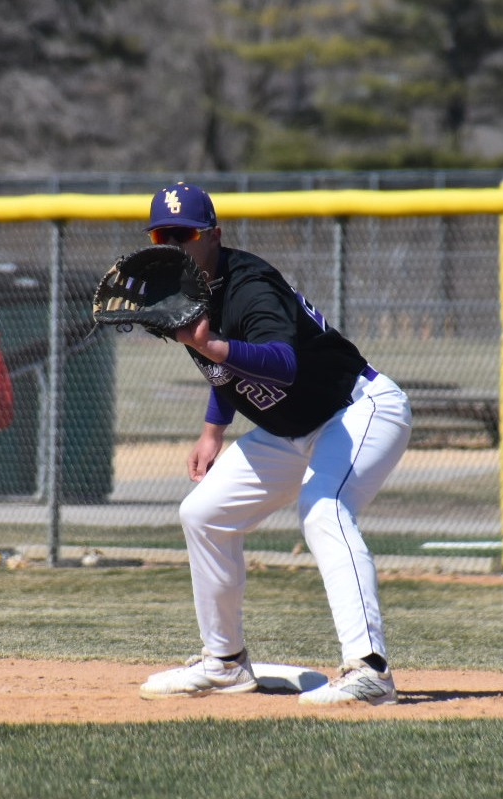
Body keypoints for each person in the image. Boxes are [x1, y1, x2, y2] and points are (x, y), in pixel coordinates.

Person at [136, 181, 414, 706]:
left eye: (186, 234)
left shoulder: (251, 286)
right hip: (291, 432)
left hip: (358, 409)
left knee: (324, 509)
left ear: (213, 236)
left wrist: (208, 342)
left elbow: (281, 366)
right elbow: (223, 371)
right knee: (203, 513)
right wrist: (212, 430)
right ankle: (224, 663)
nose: (174, 244)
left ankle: (370, 670)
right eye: (162, 233)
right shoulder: (182, 292)